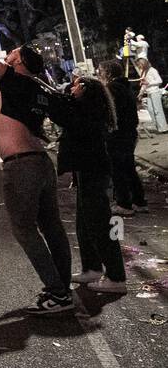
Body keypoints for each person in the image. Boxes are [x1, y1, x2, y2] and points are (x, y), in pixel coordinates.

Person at [0, 46, 73, 314]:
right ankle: (60, 286)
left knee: (24, 229)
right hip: (39, 163)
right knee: (51, 226)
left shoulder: (15, 79)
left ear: (19, 60)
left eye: (13, 52)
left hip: (22, 166)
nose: (8, 54)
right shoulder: (36, 88)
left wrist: (5, 66)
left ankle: (58, 292)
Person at [50, 75, 128, 294]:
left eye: (76, 85)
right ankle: (92, 267)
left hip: (94, 172)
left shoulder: (89, 111)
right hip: (86, 171)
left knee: (100, 224)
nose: (72, 88)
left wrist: (68, 99)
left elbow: (67, 119)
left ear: (85, 89)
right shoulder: (86, 108)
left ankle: (116, 276)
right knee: (84, 224)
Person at [101, 59, 147, 215]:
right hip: (128, 133)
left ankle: (124, 204)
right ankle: (139, 201)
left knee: (118, 169)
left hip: (118, 135)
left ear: (107, 73)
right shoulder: (125, 87)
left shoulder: (112, 88)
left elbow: (111, 113)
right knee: (129, 167)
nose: (99, 74)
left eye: (101, 71)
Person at [137, 57, 168, 134]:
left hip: (155, 91)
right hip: (149, 93)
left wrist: (149, 83)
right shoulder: (143, 71)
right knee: (150, 110)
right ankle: (158, 126)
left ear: (143, 63)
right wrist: (141, 93)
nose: (139, 66)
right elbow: (144, 84)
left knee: (158, 110)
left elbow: (159, 80)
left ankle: (163, 128)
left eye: (139, 64)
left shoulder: (152, 70)